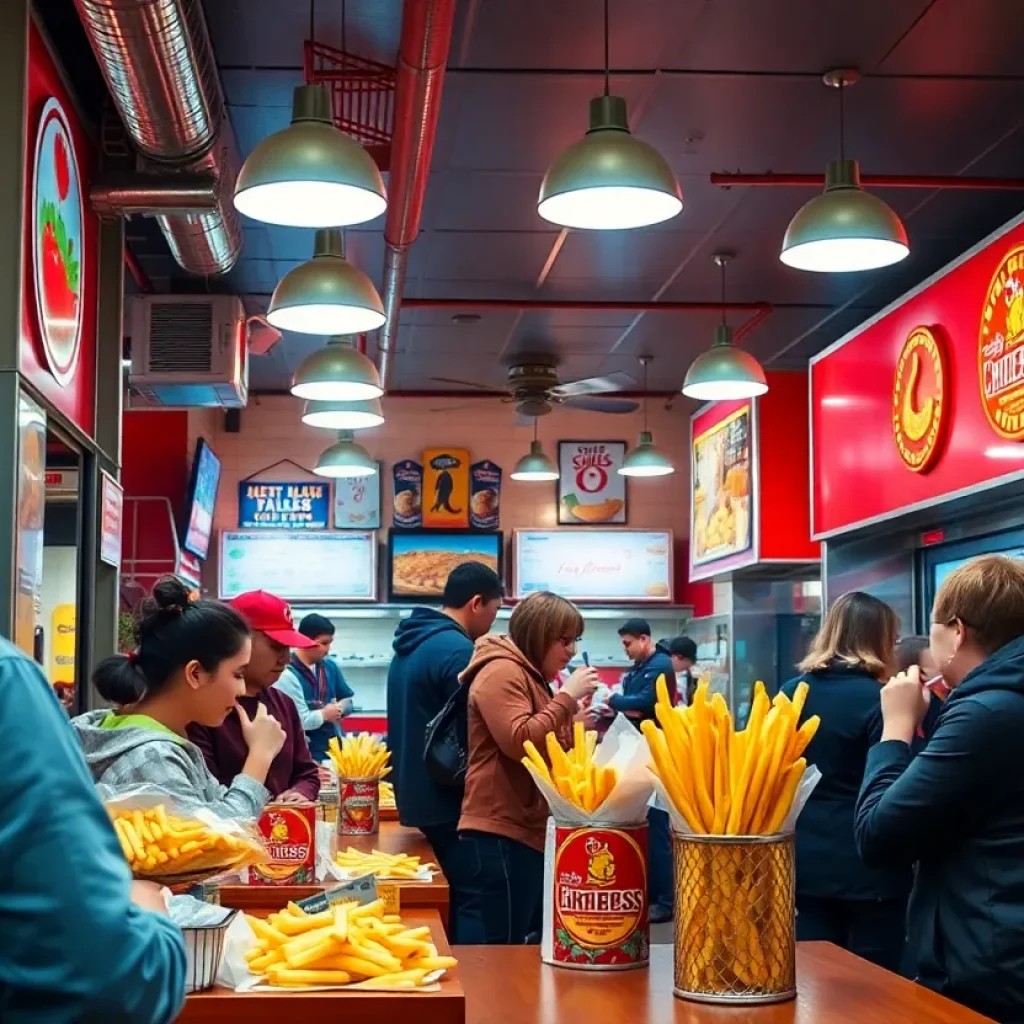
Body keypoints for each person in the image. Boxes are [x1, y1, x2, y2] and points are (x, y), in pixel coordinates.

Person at [856, 556, 1024, 1022]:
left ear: (956, 631)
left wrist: (895, 728)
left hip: (989, 969)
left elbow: (879, 835)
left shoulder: (985, 714)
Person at [0, 632, 187, 1021]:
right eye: (236, 673)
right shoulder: (10, 682)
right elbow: (113, 977)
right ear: (195, 674)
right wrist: (148, 905)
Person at [73, 579, 284, 819]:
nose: (242, 690)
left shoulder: (124, 730)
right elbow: (217, 834)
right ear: (195, 674)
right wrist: (260, 756)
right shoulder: (153, 757)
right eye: (238, 674)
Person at [457, 591, 599, 943]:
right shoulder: (501, 671)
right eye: (564, 640)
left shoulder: (530, 675)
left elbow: (546, 745)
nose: (571, 650)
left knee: (519, 941)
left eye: (575, 640)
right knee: (502, 947)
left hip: (523, 826)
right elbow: (520, 741)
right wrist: (566, 699)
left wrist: (573, 723)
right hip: (501, 828)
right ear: (539, 634)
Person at [780, 591, 908, 973]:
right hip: (870, 862)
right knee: (876, 984)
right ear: (880, 639)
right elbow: (897, 778)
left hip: (803, 856)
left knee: (812, 975)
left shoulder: (791, 693)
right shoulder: (886, 701)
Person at [386, 562, 504, 940]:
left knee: (455, 893)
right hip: (451, 799)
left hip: (417, 792)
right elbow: (479, 728)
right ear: (476, 603)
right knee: (474, 897)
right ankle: (473, 975)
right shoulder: (457, 650)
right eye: (494, 611)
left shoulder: (412, 642)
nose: (492, 621)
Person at [188, 590, 320, 804]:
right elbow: (207, 804)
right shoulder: (205, 711)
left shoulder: (284, 704)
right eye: (276, 647)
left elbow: (307, 773)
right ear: (238, 642)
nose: (286, 659)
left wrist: (300, 792)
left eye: (288, 648)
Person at [612, 619, 676, 923]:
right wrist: (627, 705)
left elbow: (644, 703)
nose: (625, 650)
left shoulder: (660, 665)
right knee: (643, 824)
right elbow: (634, 706)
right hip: (638, 751)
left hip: (654, 752)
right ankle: (650, 894)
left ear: (644, 639)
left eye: (628, 644)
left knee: (656, 825)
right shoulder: (641, 667)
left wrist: (614, 700)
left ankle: (666, 900)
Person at [275, 613, 354, 764]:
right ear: (305, 641)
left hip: (334, 750)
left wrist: (339, 709)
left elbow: (348, 700)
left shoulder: (330, 667)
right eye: (324, 643)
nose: (328, 650)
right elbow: (298, 721)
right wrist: (324, 714)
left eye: (330, 643)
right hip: (303, 754)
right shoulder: (286, 674)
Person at [667, 635, 698, 706]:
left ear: (679, 657)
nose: (671, 660)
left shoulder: (696, 678)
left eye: (672, 657)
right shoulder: (666, 677)